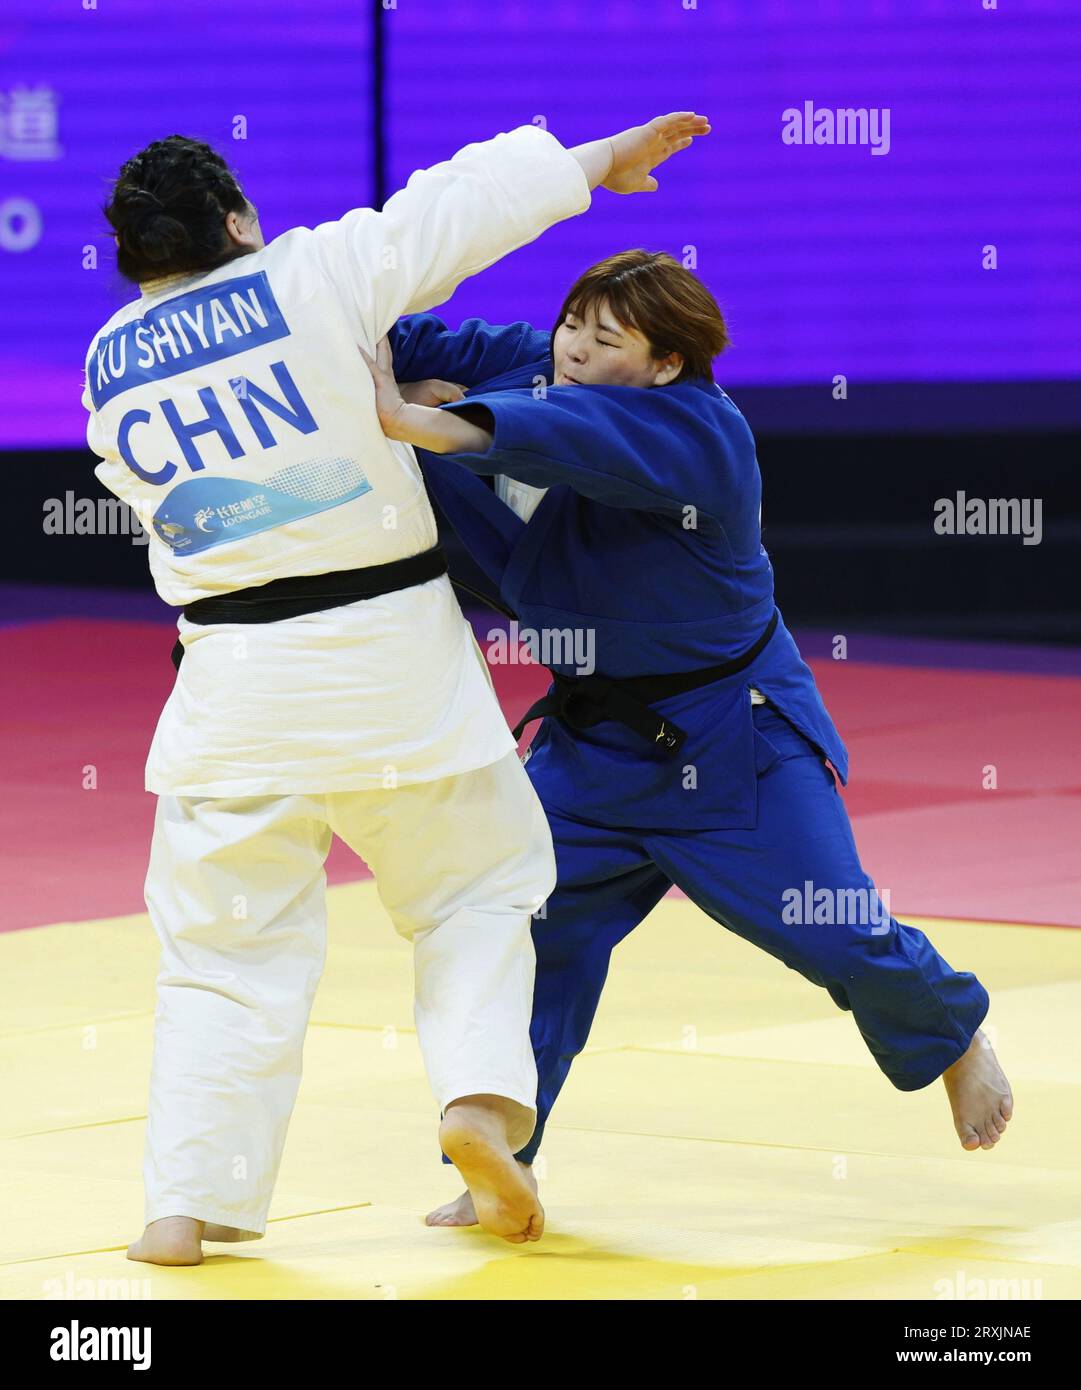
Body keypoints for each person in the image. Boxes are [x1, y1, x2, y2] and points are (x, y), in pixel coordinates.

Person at [82, 117, 711, 1263]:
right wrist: (588, 165)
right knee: (480, 887)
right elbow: (452, 207)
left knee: (222, 955)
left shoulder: (105, 363)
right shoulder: (308, 272)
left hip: (232, 687)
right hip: (388, 664)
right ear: (235, 222)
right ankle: (477, 1099)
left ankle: (185, 1205)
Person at [361, 250, 1015, 1230]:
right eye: (572, 322)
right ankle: (500, 1149)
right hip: (589, 749)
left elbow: (560, 437)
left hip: (730, 739)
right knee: (528, 936)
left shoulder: (699, 434)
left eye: (606, 338)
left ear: (665, 365)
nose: (574, 347)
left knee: (834, 926)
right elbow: (407, 339)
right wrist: (354, 345)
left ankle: (953, 1033)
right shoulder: (533, 363)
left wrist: (413, 417)